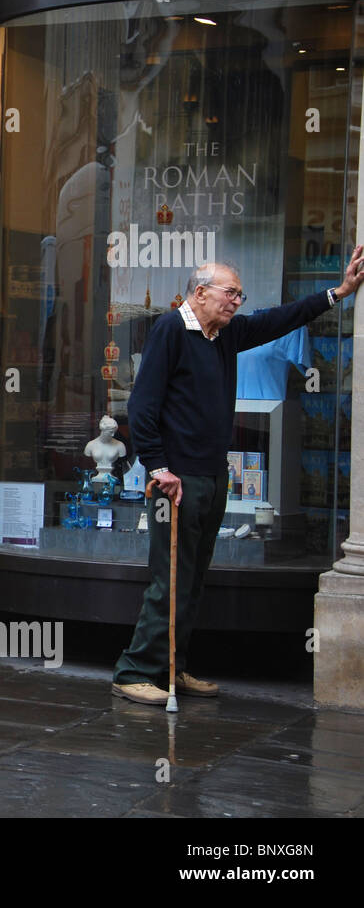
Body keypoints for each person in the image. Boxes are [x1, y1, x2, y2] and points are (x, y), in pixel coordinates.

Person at [112, 250, 364, 705]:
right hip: (177, 479)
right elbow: (142, 406)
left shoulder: (223, 335)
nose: (237, 302)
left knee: (192, 578)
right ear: (200, 291)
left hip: (211, 475)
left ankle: (172, 666)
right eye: (230, 293)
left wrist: (338, 293)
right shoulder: (172, 329)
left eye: (240, 295)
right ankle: (134, 671)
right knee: (169, 578)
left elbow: (280, 319)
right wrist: (158, 467)